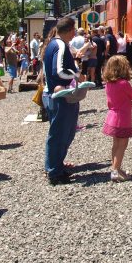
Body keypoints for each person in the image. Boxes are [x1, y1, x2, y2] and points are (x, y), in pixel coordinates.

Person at [43, 17, 82, 185]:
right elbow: (58, 71)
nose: (75, 33)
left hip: (56, 95)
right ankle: (54, 172)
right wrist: (76, 76)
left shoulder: (53, 44)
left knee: (60, 133)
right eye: (73, 30)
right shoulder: (60, 45)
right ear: (69, 30)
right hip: (61, 96)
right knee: (60, 133)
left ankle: (54, 166)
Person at [102, 55, 132, 182]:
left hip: (111, 118)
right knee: (122, 146)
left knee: (115, 145)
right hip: (122, 119)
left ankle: (116, 168)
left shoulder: (108, 84)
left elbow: (121, 99)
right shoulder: (124, 84)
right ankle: (115, 171)